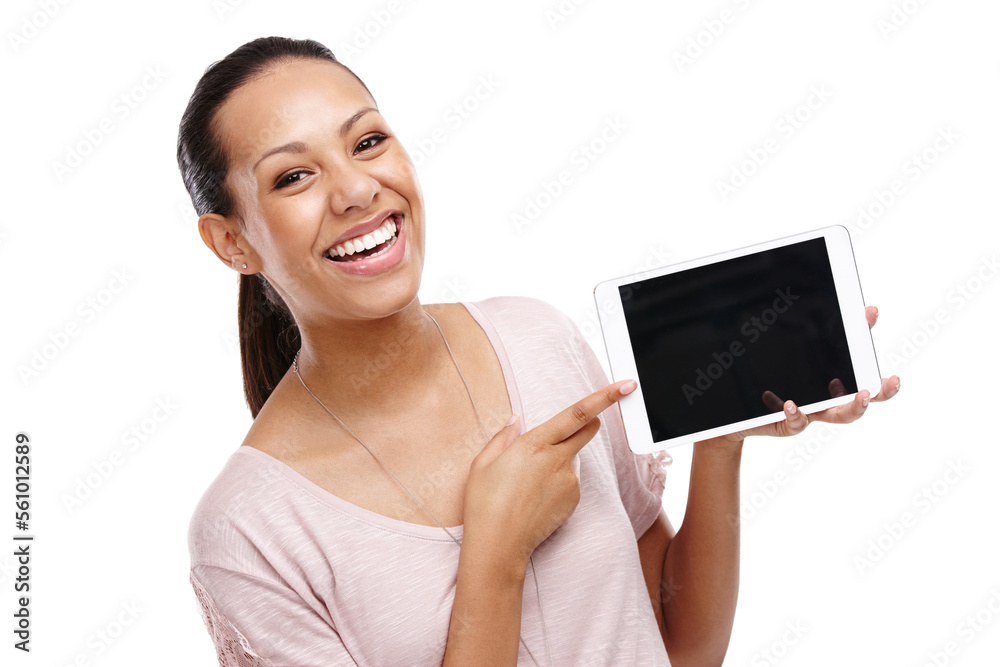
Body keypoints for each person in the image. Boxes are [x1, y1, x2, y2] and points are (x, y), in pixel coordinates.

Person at [178, 37, 900, 666]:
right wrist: (496, 553)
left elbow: (683, 648)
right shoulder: (247, 532)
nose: (358, 189)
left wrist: (722, 441)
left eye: (367, 142)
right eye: (293, 176)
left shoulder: (539, 338)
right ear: (231, 241)